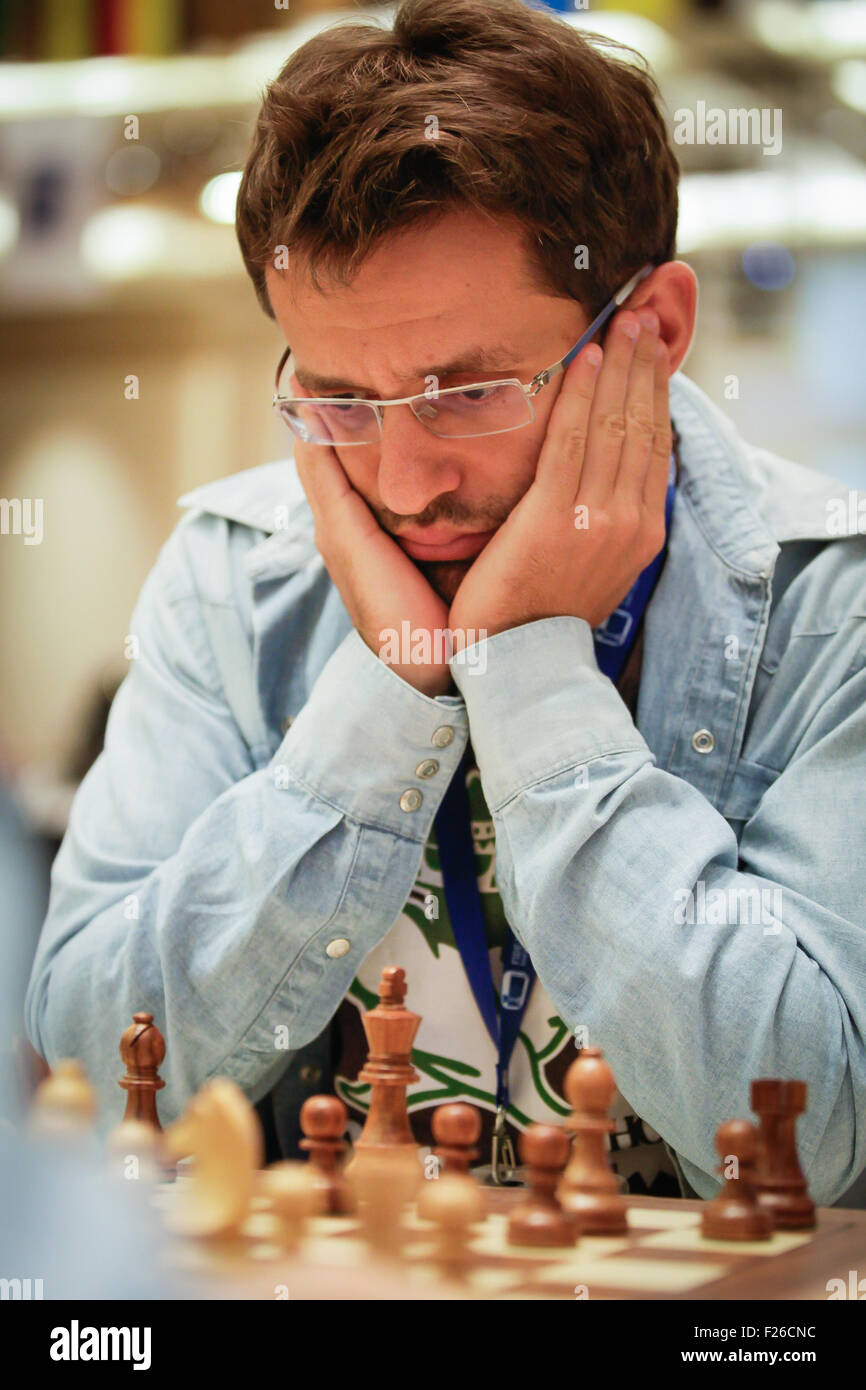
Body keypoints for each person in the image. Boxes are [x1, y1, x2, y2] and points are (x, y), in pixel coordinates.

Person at [25, 0, 866, 1205]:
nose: (407, 485)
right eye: (339, 401)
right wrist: (391, 683)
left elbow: (817, 1140)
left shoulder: (830, 605)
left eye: (468, 392)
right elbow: (89, 1079)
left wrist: (527, 675)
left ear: (654, 329)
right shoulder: (227, 575)